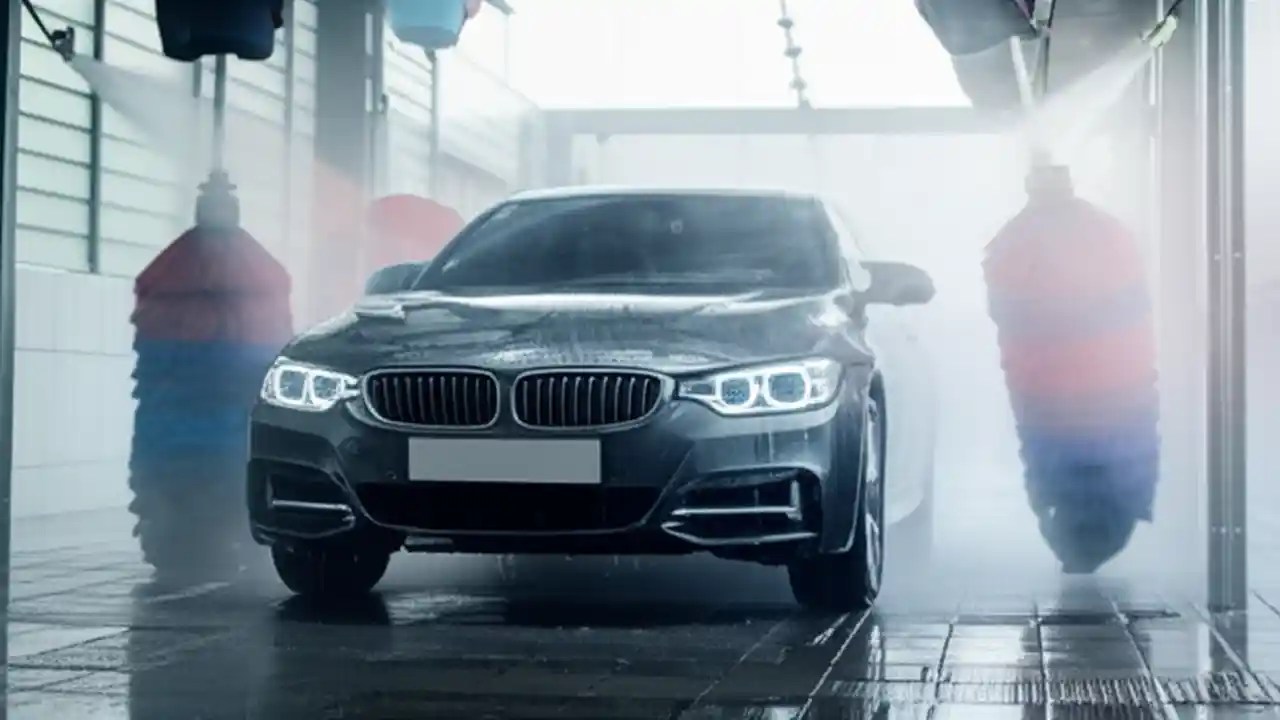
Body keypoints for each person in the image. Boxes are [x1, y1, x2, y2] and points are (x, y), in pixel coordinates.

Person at [983, 163, 1160, 574]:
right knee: (1113, 466)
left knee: (1056, 470)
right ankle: (1089, 542)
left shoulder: (1011, 241)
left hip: (1045, 391)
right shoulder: (1109, 232)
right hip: (1114, 385)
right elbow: (1135, 304)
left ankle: (1079, 545)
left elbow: (1004, 311)